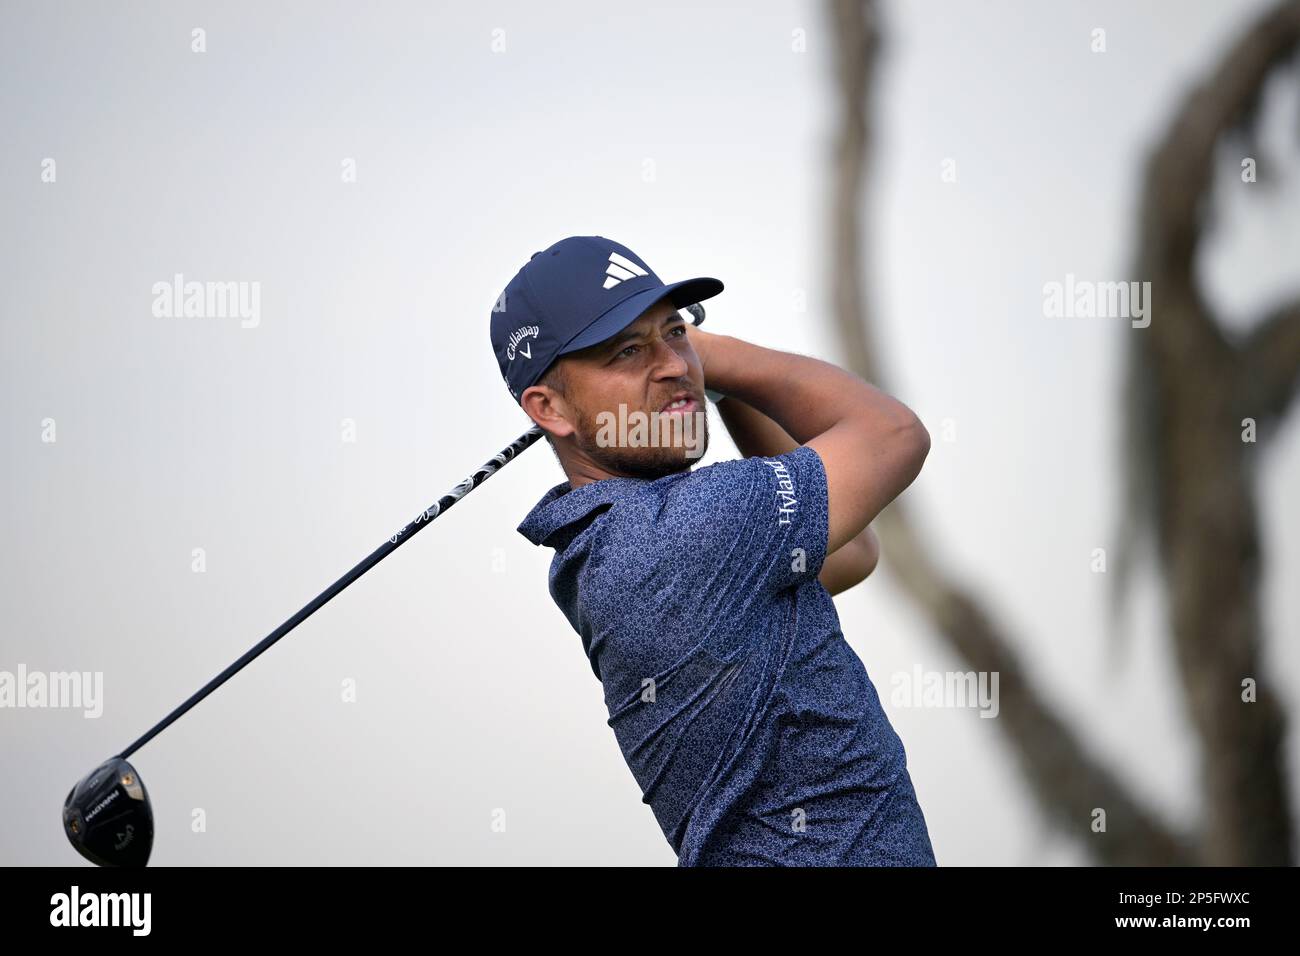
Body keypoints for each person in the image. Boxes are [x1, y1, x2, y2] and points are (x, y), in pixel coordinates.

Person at [490, 235, 936, 866]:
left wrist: (698, 384)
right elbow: (892, 433)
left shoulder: (612, 545)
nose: (674, 362)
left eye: (676, 332)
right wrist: (711, 360)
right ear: (548, 408)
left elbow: (849, 552)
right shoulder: (685, 531)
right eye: (627, 350)